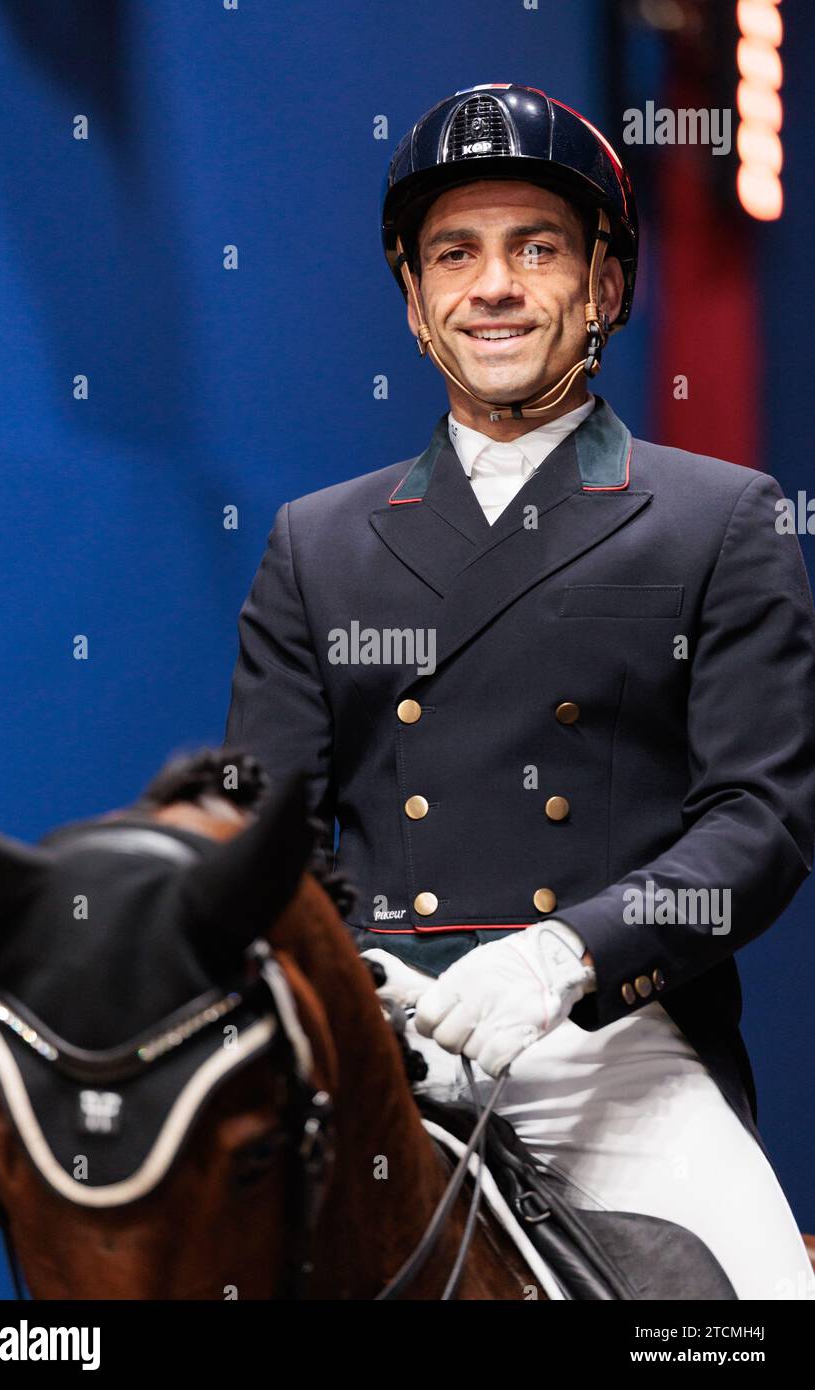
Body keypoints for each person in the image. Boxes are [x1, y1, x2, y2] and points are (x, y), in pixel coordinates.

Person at [225, 83, 815, 1298]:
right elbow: (261, 836)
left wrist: (562, 954)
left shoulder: (719, 519)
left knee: (766, 1301)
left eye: (533, 248)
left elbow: (761, 827)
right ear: (414, 297)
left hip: (613, 1052)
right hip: (383, 1042)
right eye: (455, 254)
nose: (491, 285)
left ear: (601, 285)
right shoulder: (314, 543)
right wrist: (349, 966)